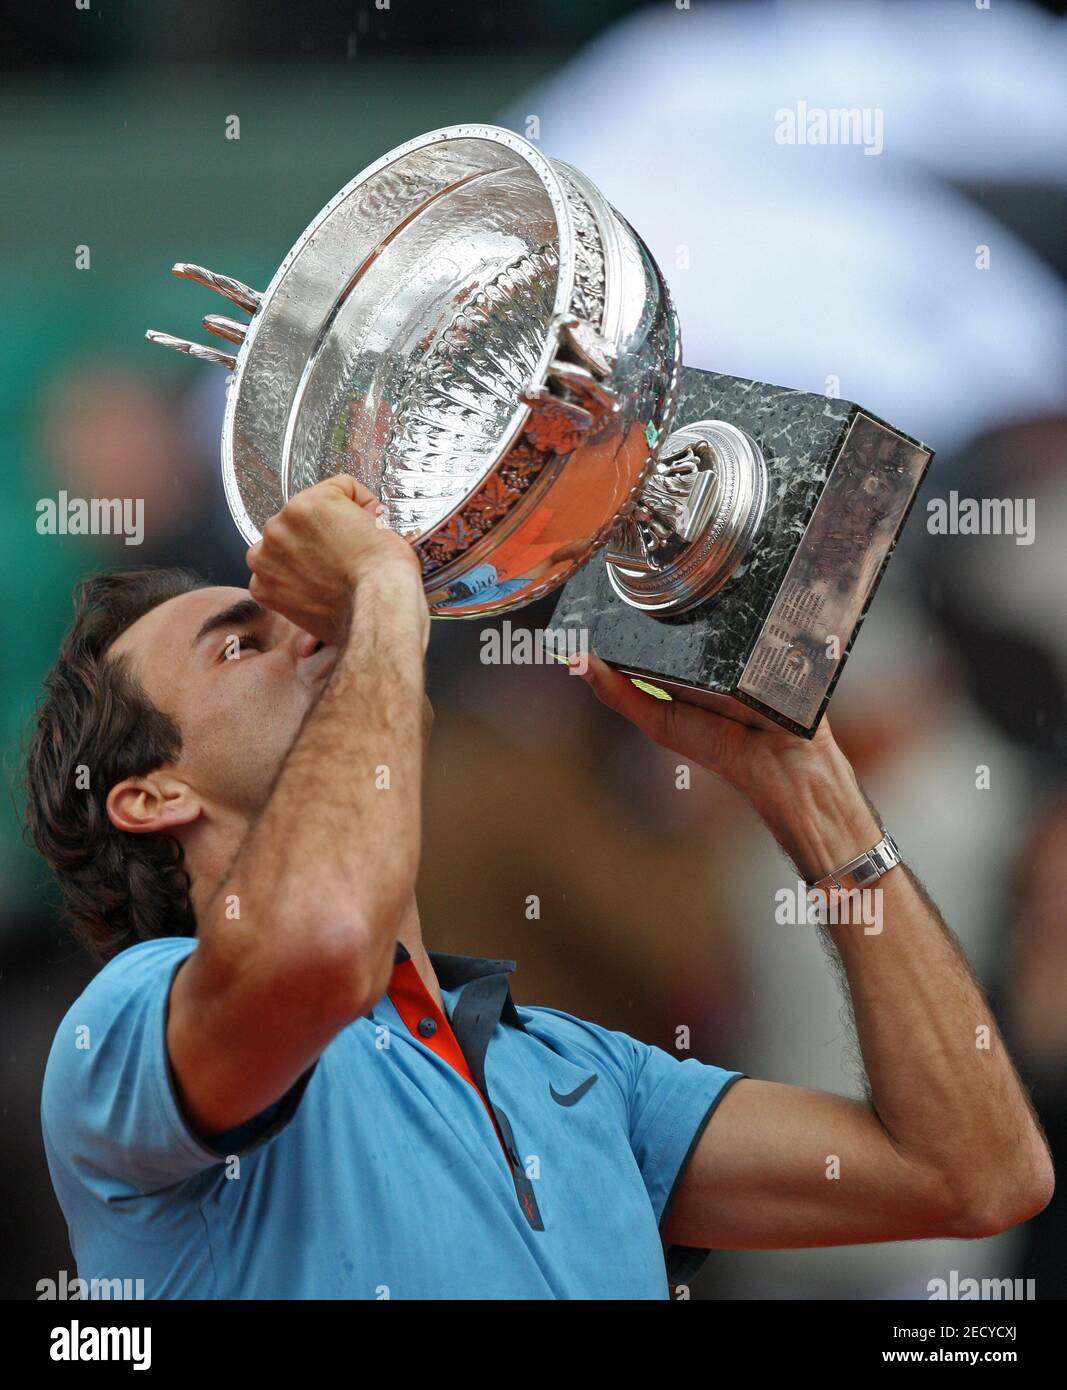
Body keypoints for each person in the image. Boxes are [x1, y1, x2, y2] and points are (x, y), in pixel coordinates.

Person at [25, 476, 1053, 1300]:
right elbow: (323, 943)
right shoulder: (124, 1022)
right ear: (151, 795)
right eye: (242, 642)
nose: (310, 632)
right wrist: (382, 589)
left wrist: (802, 784)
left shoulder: (579, 1072)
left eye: (307, 616)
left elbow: (975, 1174)